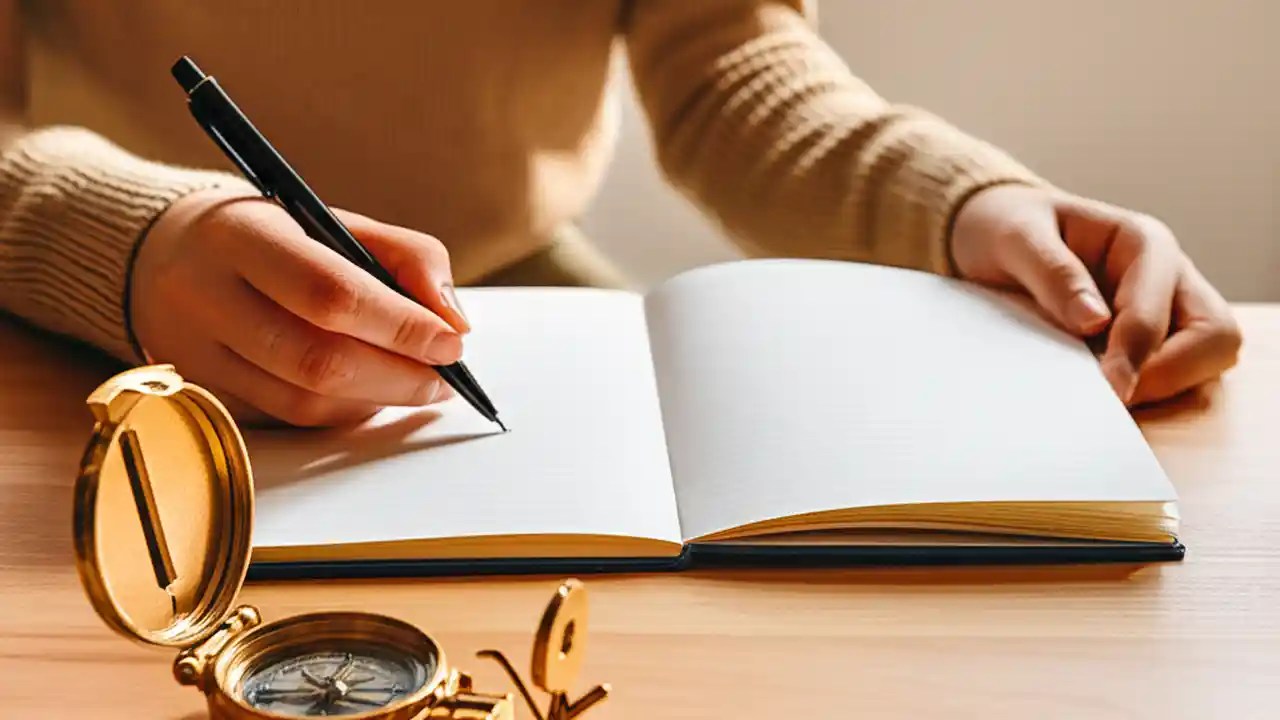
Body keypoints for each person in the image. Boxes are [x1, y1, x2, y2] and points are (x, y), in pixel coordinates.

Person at [0, 1, 1240, 427]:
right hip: (97, 309)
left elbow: (730, 74)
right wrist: (126, 242)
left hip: (504, 288)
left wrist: (970, 202)